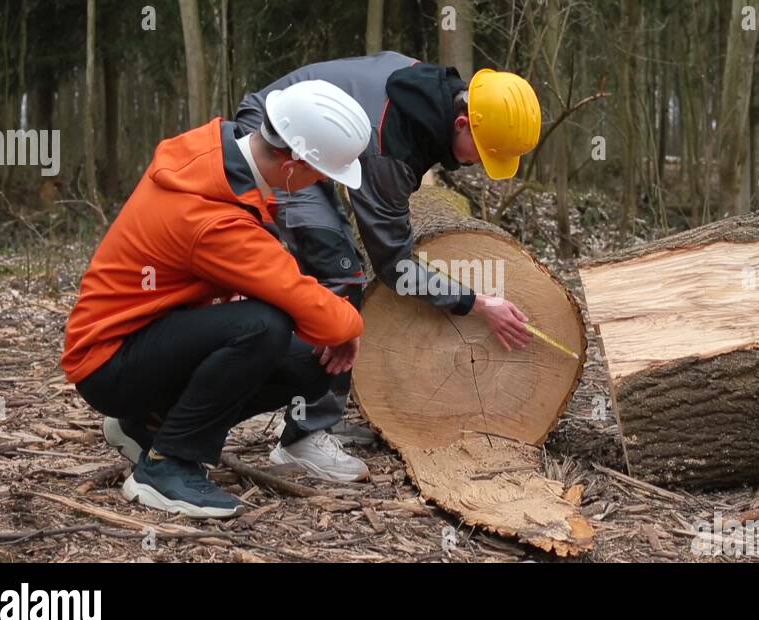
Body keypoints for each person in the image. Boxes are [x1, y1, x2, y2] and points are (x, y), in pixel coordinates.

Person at [61, 80, 371, 517]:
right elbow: (309, 304)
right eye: (320, 173)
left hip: (147, 340)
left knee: (308, 361)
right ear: (292, 164)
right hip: (109, 362)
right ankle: (167, 468)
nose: (319, 182)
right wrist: (348, 325)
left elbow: (287, 287)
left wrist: (331, 325)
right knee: (264, 326)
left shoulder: (223, 162)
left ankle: (146, 424)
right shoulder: (211, 218)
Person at [229, 52, 542, 481]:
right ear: (462, 122)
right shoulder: (392, 146)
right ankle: (303, 438)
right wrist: (475, 302)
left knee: (334, 257)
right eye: (483, 153)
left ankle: (311, 406)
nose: (480, 164)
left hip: (296, 134)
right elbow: (396, 268)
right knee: (340, 272)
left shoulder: (426, 87)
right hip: (272, 145)